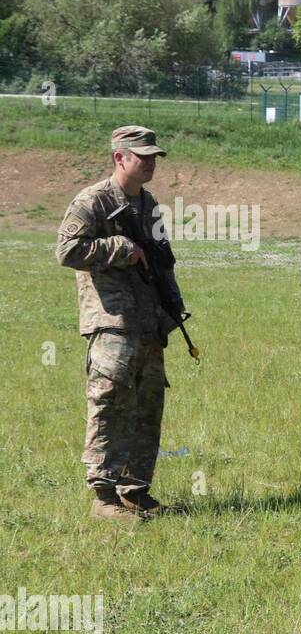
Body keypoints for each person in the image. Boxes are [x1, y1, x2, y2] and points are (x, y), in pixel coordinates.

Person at [56, 125, 181, 521]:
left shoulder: (150, 205)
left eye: (153, 156)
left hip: (148, 323)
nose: (149, 163)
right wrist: (118, 247)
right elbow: (67, 250)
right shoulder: (92, 200)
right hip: (110, 321)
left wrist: (171, 308)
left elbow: (162, 259)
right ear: (119, 157)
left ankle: (135, 490)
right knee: (109, 404)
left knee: (147, 407)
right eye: (141, 155)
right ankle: (104, 498)